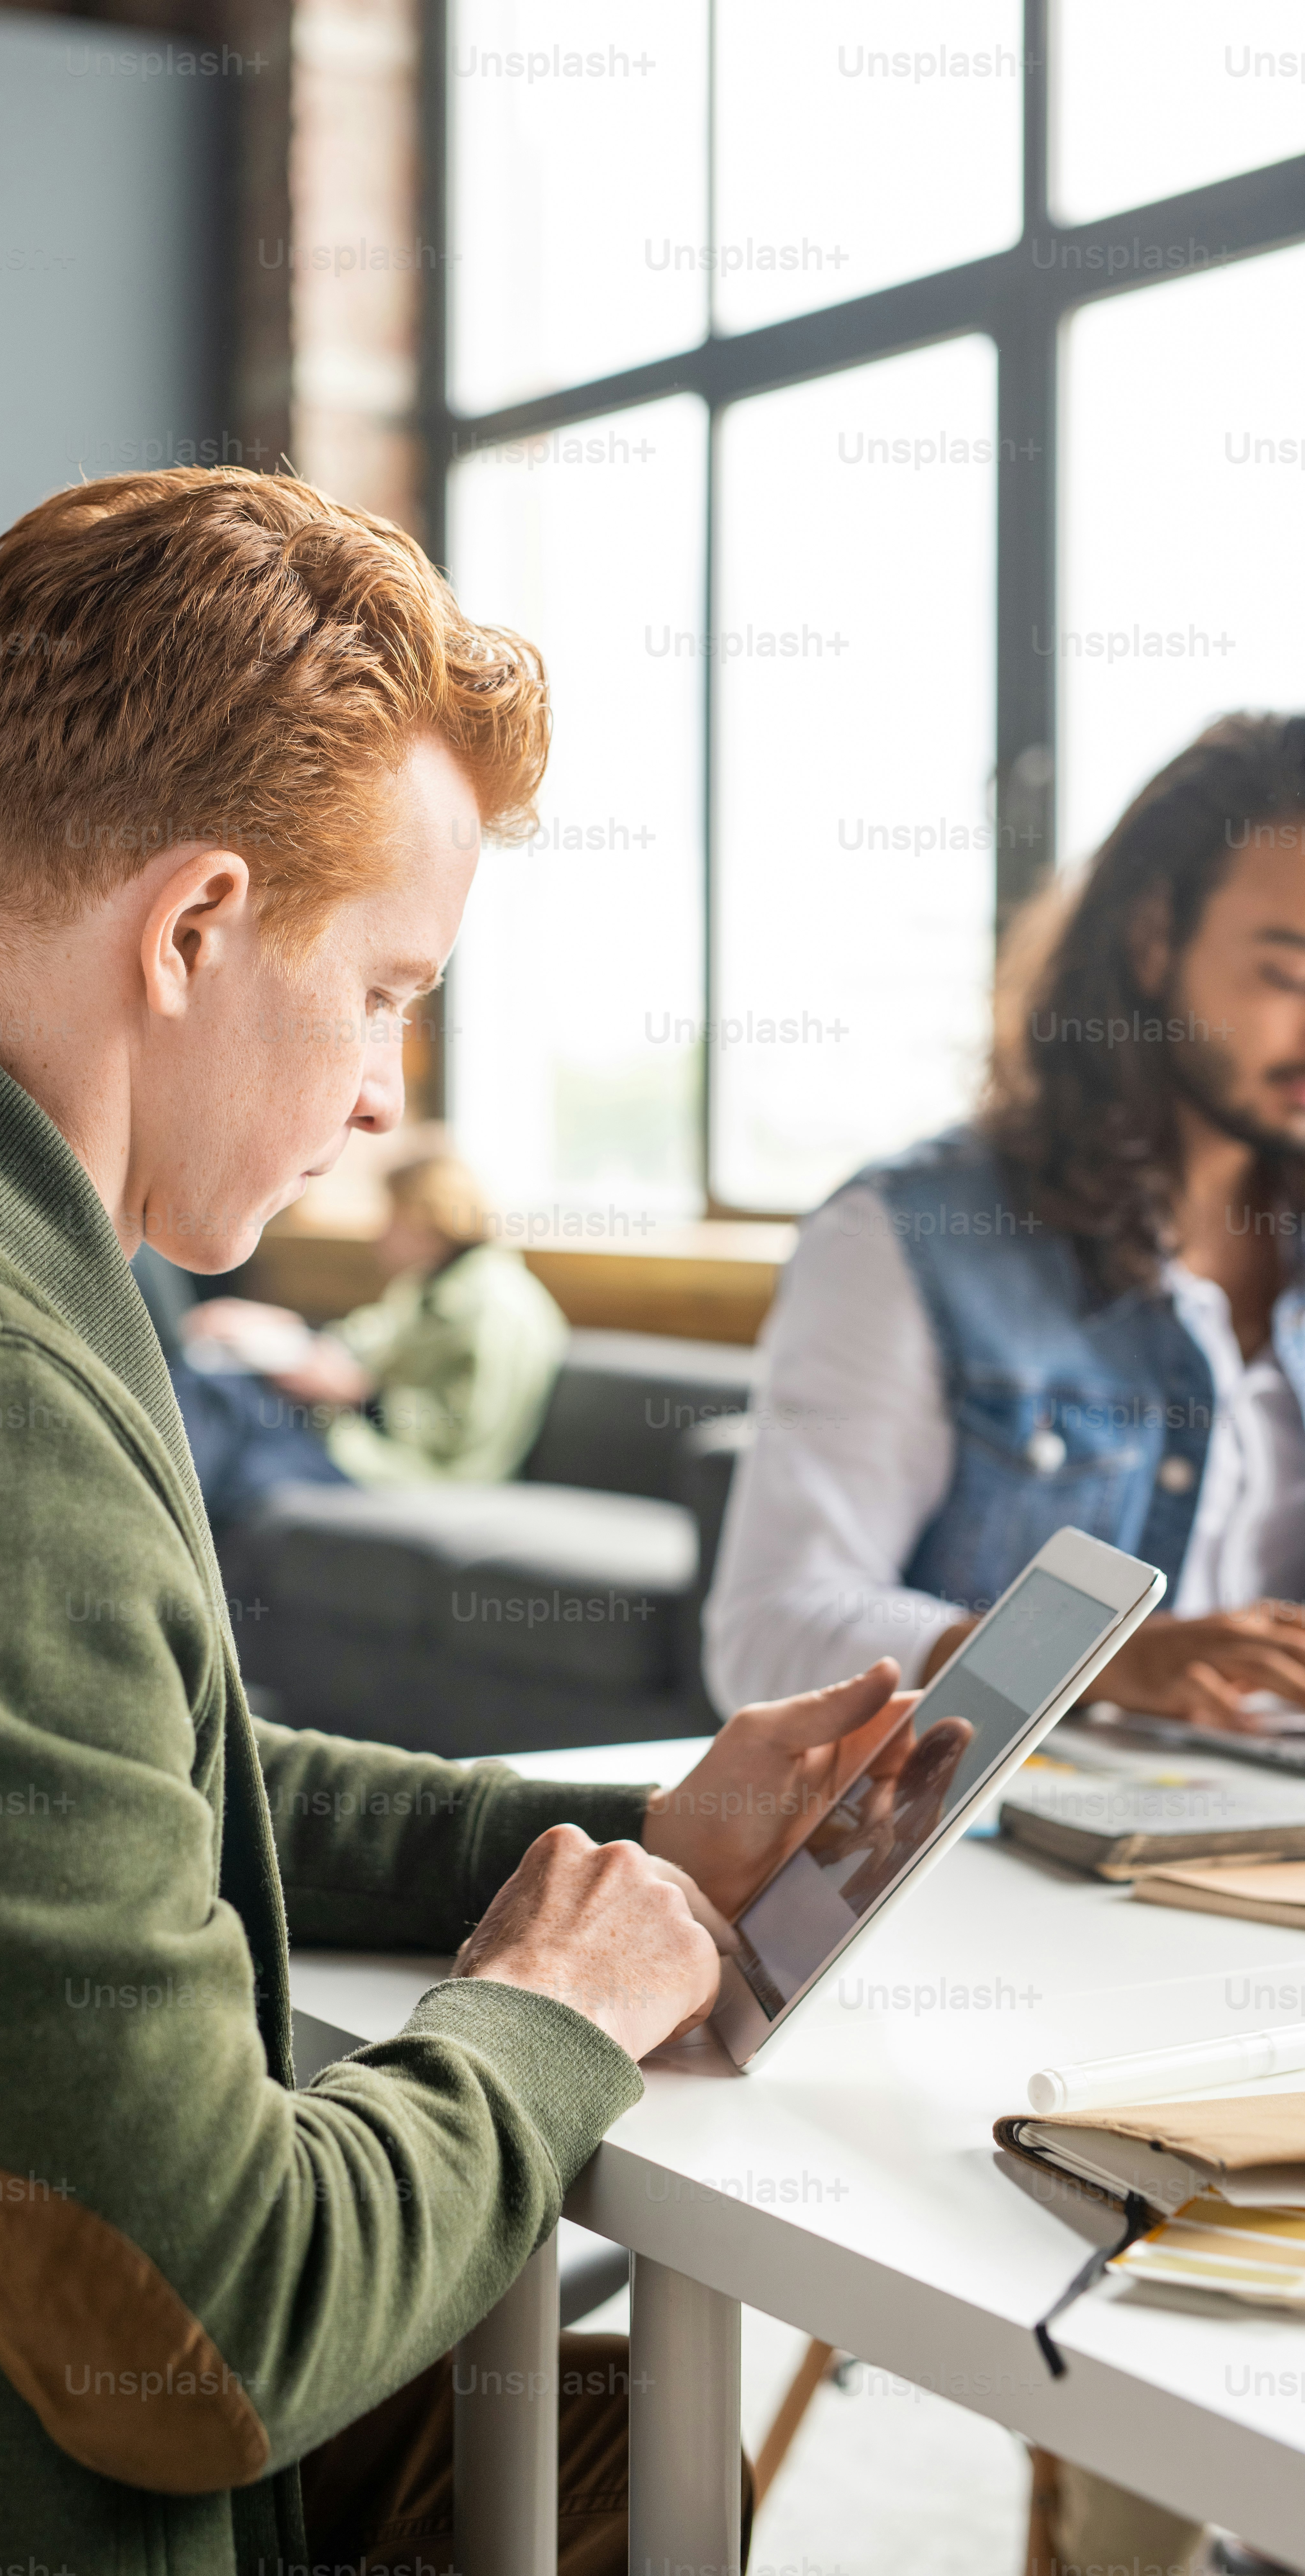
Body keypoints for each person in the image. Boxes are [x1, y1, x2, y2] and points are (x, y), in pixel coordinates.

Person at [0, 466, 922, 2576]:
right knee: (613, 2443)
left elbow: (132, 1775)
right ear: (197, 925)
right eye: (388, 988)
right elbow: (197, 2329)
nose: (391, 1091)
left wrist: (628, 1858)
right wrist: (565, 2012)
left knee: (595, 2431)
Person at [706, 709, 1305, 2576]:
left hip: (1263, 1914)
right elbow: (772, 1631)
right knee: (1195, 2310)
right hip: (1011, 1951)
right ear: (1149, 950)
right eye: (1287, 965)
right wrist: (1105, 1654)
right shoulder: (917, 1236)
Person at [172, 1146, 569, 1524]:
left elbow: (459, 1432)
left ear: (428, 1218)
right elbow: (362, 1340)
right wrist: (287, 1331)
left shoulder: (489, 1306)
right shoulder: (431, 1287)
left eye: (392, 1216)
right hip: (363, 1443)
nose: (380, 1232)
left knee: (245, 1467)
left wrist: (363, 1396)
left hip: (412, 1474)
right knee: (220, 1390)